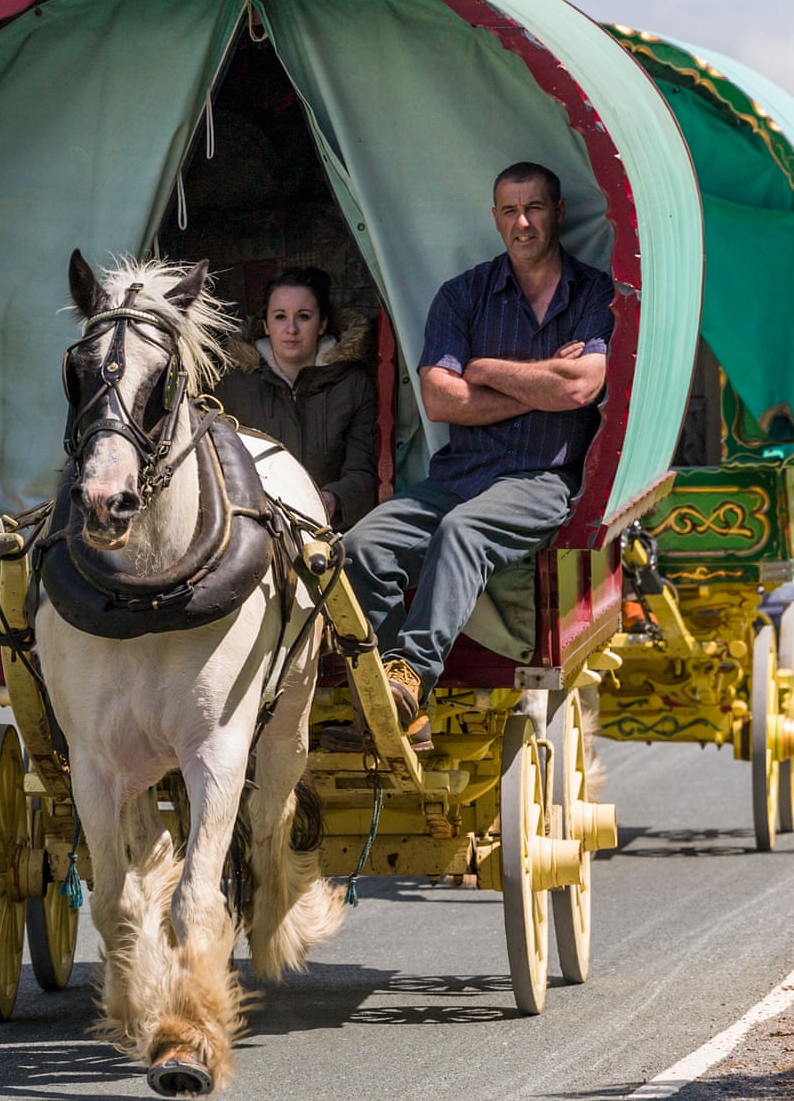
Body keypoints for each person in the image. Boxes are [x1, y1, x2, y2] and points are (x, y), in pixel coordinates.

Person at [326, 162, 615, 754]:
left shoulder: (592, 293)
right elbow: (439, 398)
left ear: (558, 212)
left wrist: (481, 370)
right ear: (495, 218)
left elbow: (581, 388)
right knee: (360, 547)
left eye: (534, 208)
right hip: (460, 474)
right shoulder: (464, 295)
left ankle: (409, 675)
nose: (523, 222)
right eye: (510, 211)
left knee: (463, 532)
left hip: (541, 478)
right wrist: (536, 382)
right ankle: (401, 712)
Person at [214, 266, 377, 530]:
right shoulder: (231, 388)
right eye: (280, 317)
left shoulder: (353, 384)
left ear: (322, 323)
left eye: (303, 316)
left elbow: (362, 472)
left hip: (330, 530)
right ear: (266, 325)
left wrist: (333, 499)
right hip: (254, 531)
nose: (291, 329)